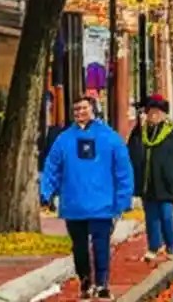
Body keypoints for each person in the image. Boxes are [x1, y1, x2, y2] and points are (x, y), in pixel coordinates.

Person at [40, 96, 134, 300]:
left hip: (103, 204)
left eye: (83, 108)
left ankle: (102, 284)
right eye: (76, 109)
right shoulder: (64, 139)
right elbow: (52, 168)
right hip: (74, 204)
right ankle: (85, 282)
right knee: (79, 247)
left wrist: (124, 199)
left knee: (101, 246)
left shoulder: (110, 138)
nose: (79, 112)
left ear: (94, 110)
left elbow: (123, 170)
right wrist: (45, 193)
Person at [128, 94, 173, 263]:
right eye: (151, 111)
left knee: (166, 215)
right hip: (147, 183)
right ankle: (153, 246)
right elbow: (131, 154)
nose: (153, 115)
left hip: (168, 182)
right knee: (151, 217)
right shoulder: (140, 133)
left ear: (165, 114)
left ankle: (171, 245)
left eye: (157, 112)